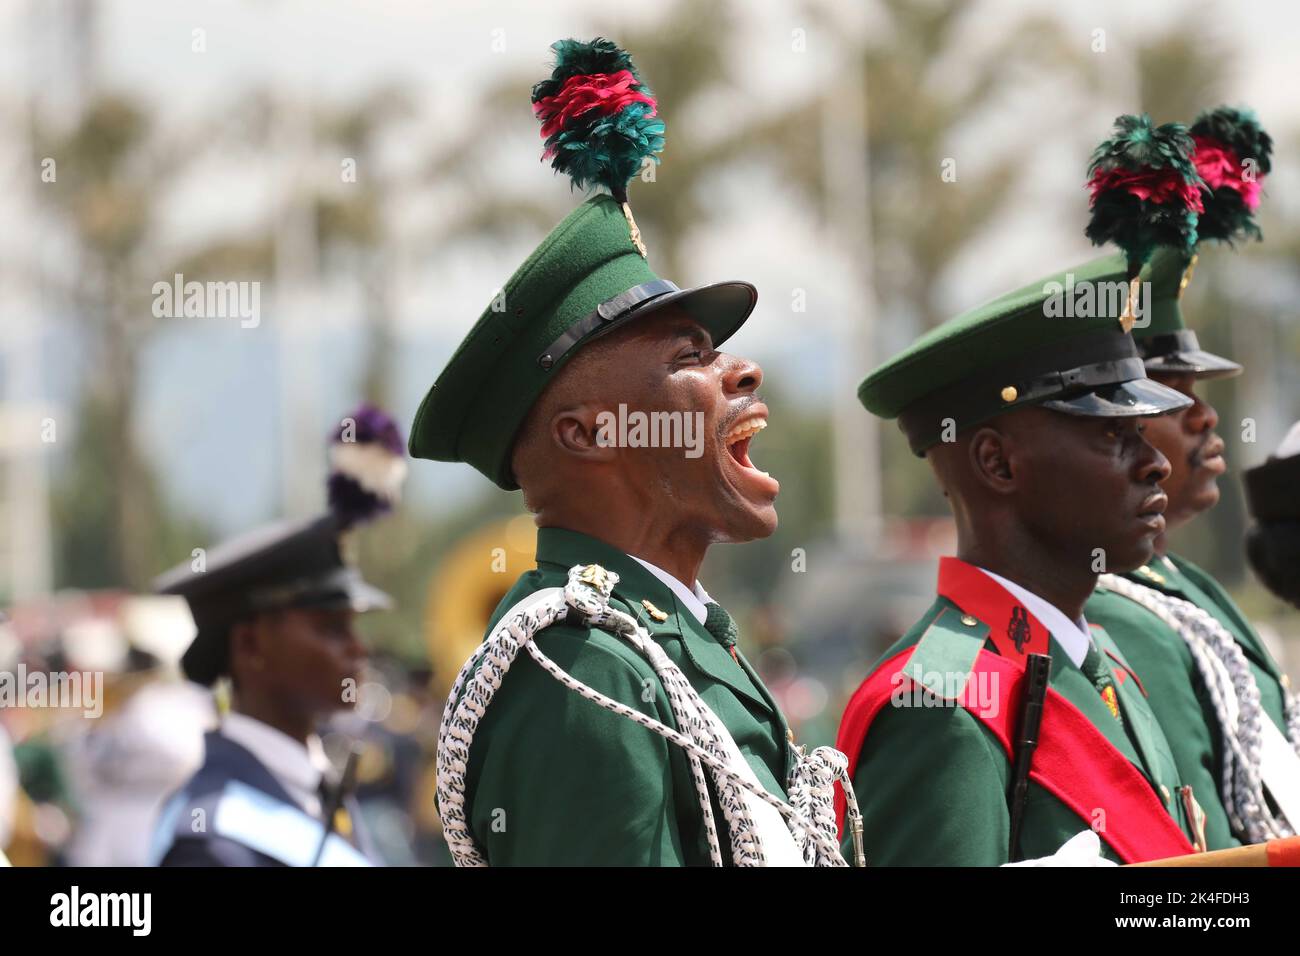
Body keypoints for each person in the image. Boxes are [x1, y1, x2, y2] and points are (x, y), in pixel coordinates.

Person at [415, 38, 849, 867]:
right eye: (691, 358)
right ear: (590, 433)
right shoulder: (581, 673)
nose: (741, 367)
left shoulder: (672, 644)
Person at [837, 114, 1214, 865]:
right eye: (1113, 435)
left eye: (1144, 434)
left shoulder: (1100, 659)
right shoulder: (941, 700)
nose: (1155, 464)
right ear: (997, 465)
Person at [1086, 107, 1300, 845]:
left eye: (1204, 397)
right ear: (1117, 421)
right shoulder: (1116, 612)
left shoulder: (1184, 587)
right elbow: (1207, 850)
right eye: (1176, 397)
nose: (1206, 419)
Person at [149, 405, 405, 866]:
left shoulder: (314, 781)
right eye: (332, 628)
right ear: (250, 645)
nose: (358, 647)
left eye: (353, 625)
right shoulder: (210, 841)